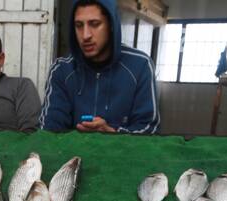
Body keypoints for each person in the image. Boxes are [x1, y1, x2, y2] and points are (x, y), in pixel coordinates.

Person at [40, 0, 158, 134]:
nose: (85, 35)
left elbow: (149, 130)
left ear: (111, 25)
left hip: (122, 153)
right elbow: (49, 130)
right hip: (72, 154)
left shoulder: (140, 66)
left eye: (94, 24)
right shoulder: (61, 70)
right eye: (79, 25)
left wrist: (112, 132)